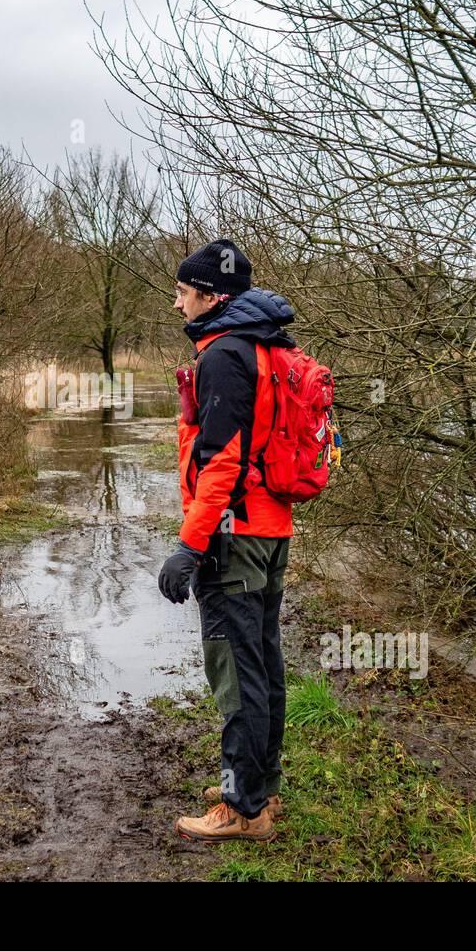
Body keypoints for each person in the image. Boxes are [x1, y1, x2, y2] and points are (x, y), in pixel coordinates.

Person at [157, 238, 296, 843]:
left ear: (212, 298)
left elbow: (222, 460)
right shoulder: (269, 345)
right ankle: (258, 781)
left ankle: (243, 809)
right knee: (262, 658)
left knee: (236, 670)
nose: (178, 301)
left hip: (233, 536)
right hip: (271, 527)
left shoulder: (224, 355)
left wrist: (190, 546)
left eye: (184, 292)